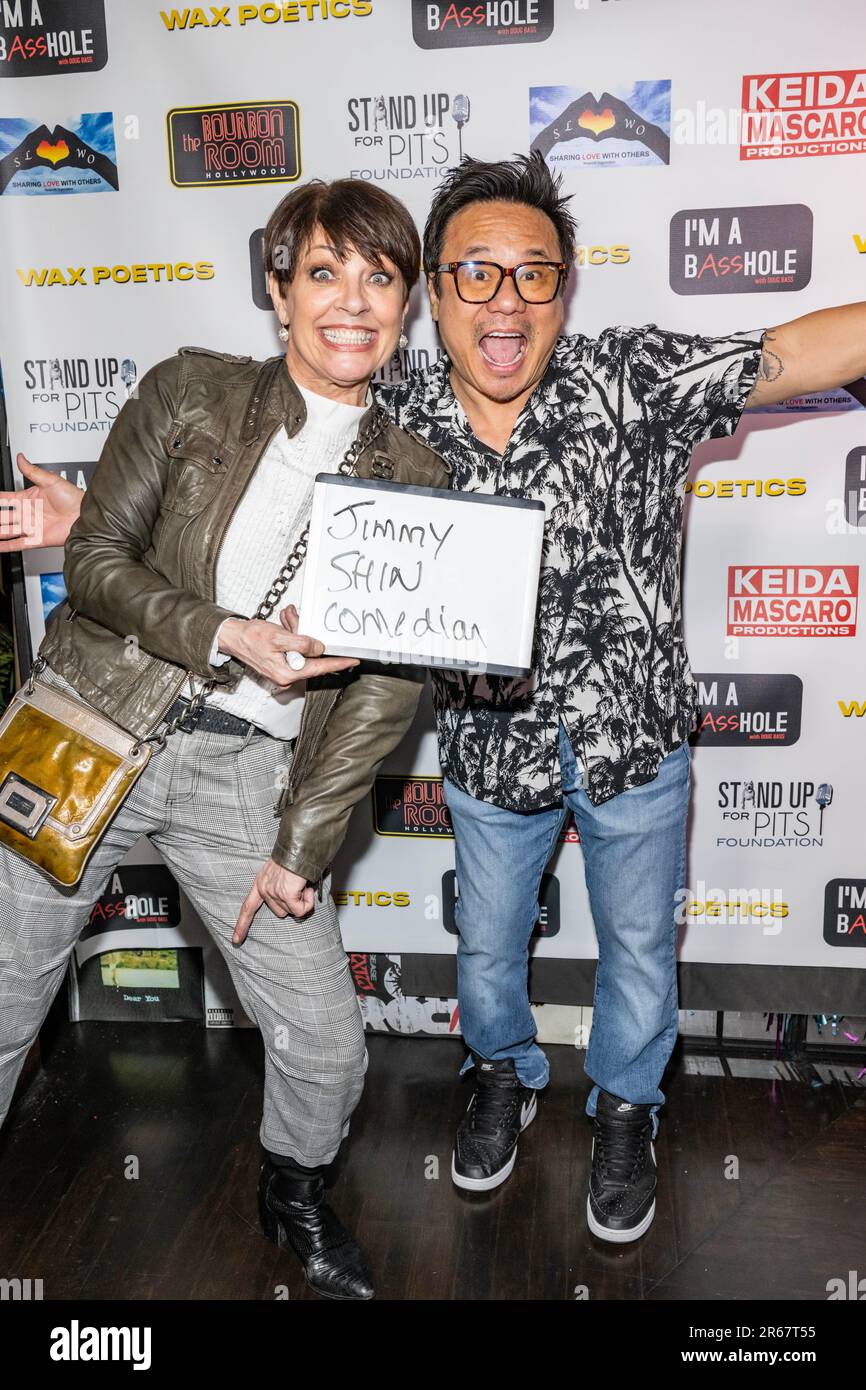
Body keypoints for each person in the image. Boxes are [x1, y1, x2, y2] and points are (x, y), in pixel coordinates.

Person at [10, 155, 866, 1250]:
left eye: (533, 274)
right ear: (436, 296)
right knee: (487, 955)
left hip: (634, 745)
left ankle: (622, 1108)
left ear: (564, 290)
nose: (504, 299)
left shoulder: (631, 377)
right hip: (486, 753)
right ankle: (498, 1077)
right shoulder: (389, 411)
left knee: (642, 951)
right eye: (475, 273)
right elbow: (243, 491)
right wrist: (89, 515)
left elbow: (795, 351)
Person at [0, 177, 449, 1301]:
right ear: (278, 286)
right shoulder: (189, 390)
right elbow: (97, 560)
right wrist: (225, 634)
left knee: (327, 1043)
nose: (350, 301)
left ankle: (291, 1190)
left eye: (378, 278)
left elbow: (384, 693)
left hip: (244, 770)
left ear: (405, 305)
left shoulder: (420, 481)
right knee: (3, 1000)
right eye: (323, 273)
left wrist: (302, 844)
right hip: (88, 723)